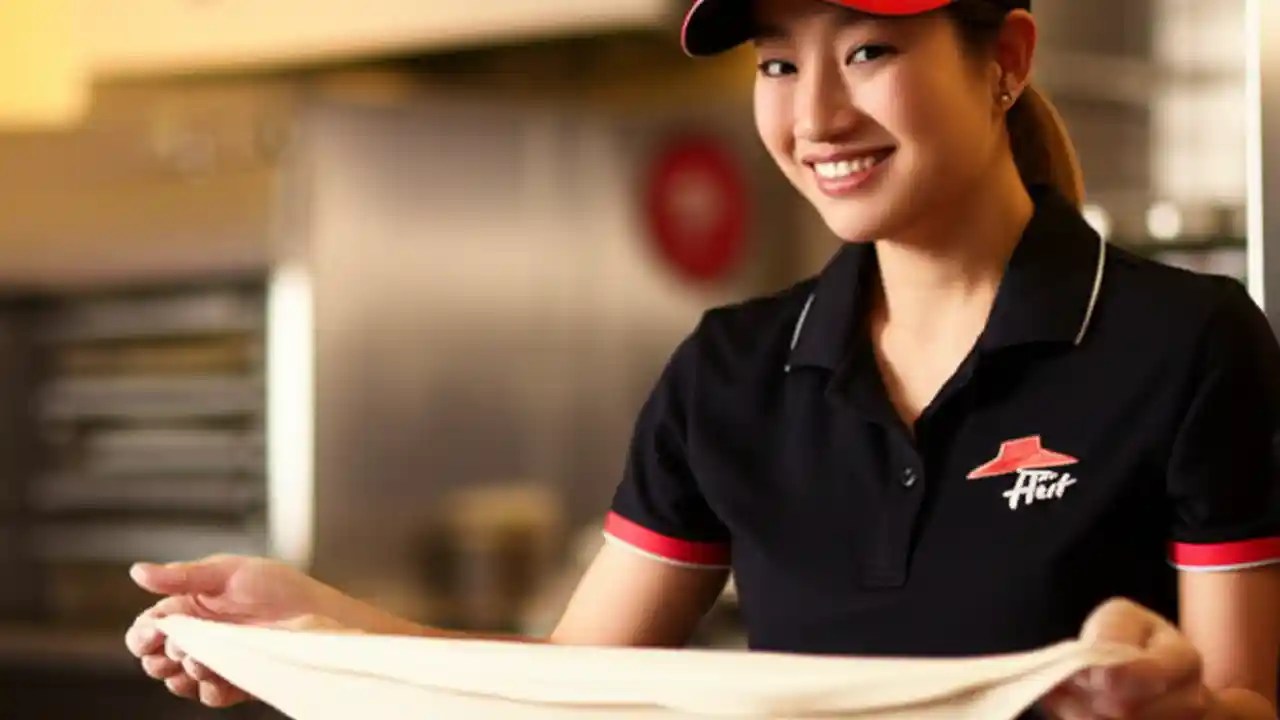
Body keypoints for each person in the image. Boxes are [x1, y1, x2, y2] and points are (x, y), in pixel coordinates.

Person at [124, 0, 1280, 717]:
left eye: (868, 48)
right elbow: (576, 691)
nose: (815, 115)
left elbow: (1245, 706)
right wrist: (318, 630)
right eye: (777, 63)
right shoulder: (730, 369)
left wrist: (1168, 709)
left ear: (1004, 58)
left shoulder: (1186, 343)